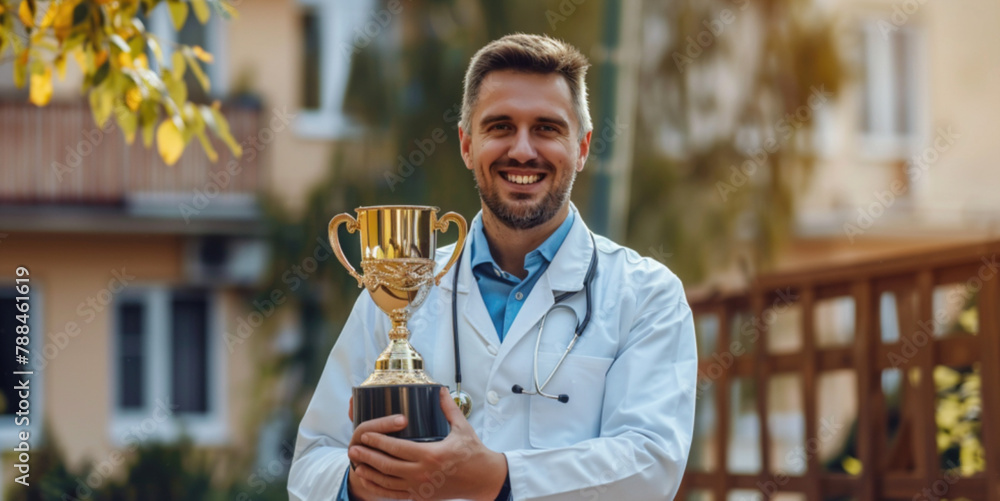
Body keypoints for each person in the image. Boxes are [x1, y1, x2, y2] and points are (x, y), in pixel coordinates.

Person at [288, 33, 697, 501]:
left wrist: (498, 477)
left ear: (582, 148)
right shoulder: (396, 285)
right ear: (466, 144)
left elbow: (651, 463)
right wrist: (359, 484)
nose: (522, 151)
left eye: (547, 128)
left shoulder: (646, 295)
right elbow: (312, 461)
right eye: (500, 126)